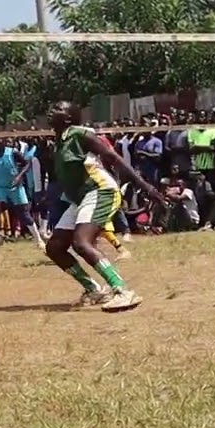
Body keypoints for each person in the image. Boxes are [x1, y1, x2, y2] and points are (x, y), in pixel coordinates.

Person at [46, 101, 162, 311]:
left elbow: (114, 158)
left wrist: (146, 187)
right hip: (80, 199)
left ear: (70, 118)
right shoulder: (59, 141)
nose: (52, 111)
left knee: (82, 243)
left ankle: (123, 290)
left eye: (58, 109)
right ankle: (94, 290)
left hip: (100, 191)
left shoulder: (81, 134)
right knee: (54, 247)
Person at [0, 139, 46, 253]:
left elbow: (27, 164)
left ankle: (39, 240)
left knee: (24, 215)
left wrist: (20, 176)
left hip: (15, 188)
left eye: (0, 139)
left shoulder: (13, 153)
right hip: (1, 188)